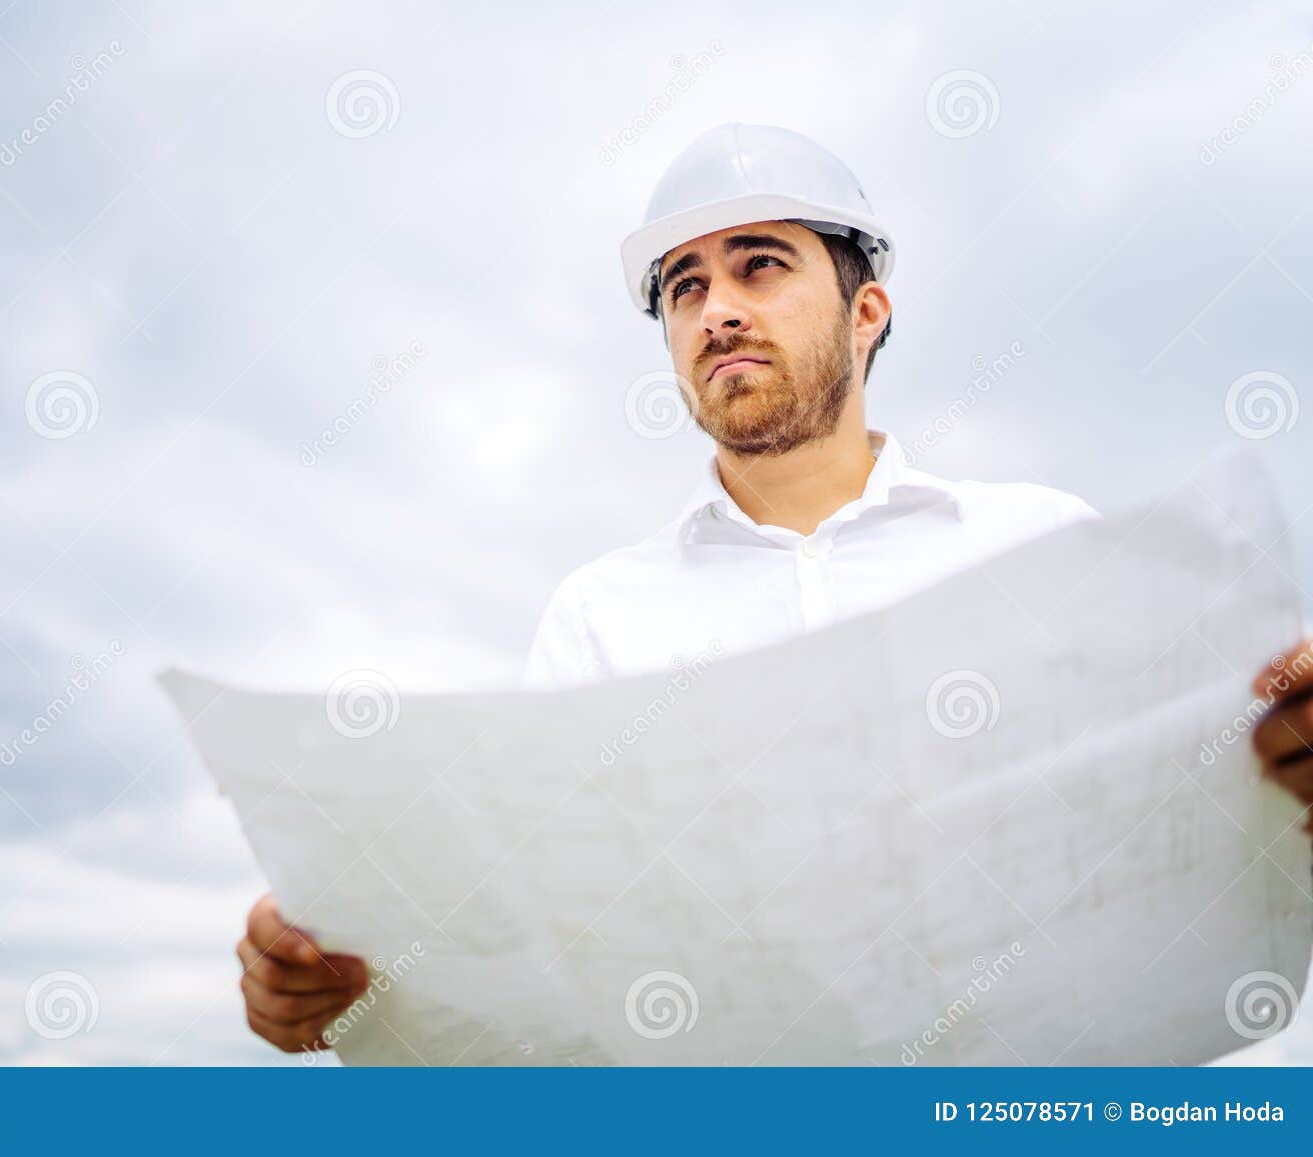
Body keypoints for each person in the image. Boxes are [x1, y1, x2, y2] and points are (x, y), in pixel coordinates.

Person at [235, 123, 1313, 1054]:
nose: (717, 310)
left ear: (866, 311)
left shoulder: (1046, 547)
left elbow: (1205, 868)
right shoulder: (603, 615)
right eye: (684, 286)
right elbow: (546, 957)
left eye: (759, 264)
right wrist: (349, 984)